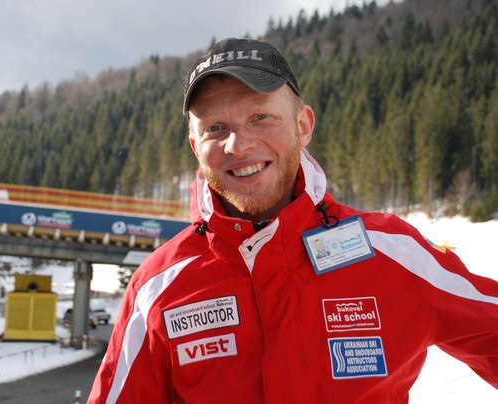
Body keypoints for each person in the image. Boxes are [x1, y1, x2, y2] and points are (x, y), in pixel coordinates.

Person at [88, 38, 498, 403]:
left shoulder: (393, 252)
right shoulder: (158, 288)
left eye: (260, 117)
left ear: (303, 126)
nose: (238, 145)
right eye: (215, 128)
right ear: (196, 147)